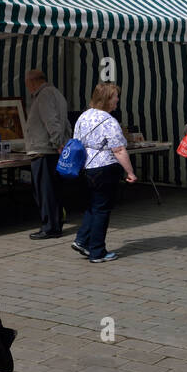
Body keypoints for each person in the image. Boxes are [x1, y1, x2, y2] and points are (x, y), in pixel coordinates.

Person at [71, 82, 137, 264]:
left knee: (93, 205)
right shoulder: (108, 121)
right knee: (102, 210)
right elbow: (119, 150)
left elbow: (76, 141)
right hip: (104, 168)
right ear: (107, 99)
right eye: (115, 96)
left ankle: (82, 240)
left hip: (86, 167)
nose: (117, 99)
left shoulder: (83, 116)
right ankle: (97, 251)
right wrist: (130, 172)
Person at [24, 69, 69, 239]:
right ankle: (55, 223)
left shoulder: (43, 96)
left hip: (44, 151)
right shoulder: (56, 93)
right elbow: (64, 122)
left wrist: (58, 143)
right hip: (50, 150)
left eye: (27, 83)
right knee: (53, 191)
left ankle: (50, 227)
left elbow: (52, 121)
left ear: (33, 81)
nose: (27, 87)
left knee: (46, 192)